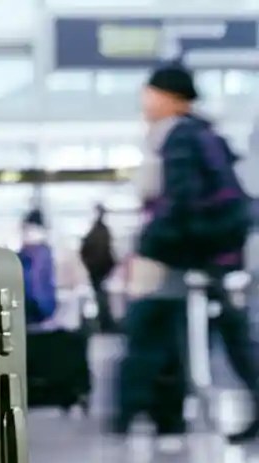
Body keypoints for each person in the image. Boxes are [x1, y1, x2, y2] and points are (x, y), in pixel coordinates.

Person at [112, 64, 254, 442]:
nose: (145, 102)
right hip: (212, 250)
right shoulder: (201, 133)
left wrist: (151, 245)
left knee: (150, 325)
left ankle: (132, 414)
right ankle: (154, 414)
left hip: (192, 253)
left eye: (150, 94)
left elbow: (181, 200)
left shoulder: (179, 136)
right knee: (229, 332)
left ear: (171, 97)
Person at [79, 204, 119, 333]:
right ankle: (105, 322)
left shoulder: (96, 231)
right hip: (102, 270)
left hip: (96, 270)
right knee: (102, 298)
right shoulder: (103, 231)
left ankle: (104, 322)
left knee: (100, 298)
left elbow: (87, 251)